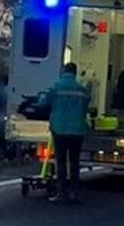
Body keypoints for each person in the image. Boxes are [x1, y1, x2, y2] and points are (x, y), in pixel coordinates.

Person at [38, 63, 90, 203]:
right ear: (75, 73)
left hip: (60, 129)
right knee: (74, 162)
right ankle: (74, 193)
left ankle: (61, 193)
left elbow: (42, 103)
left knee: (60, 162)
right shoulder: (82, 90)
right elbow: (87, 106)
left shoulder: (56, 87)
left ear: (64, 71)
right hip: (77, 130)